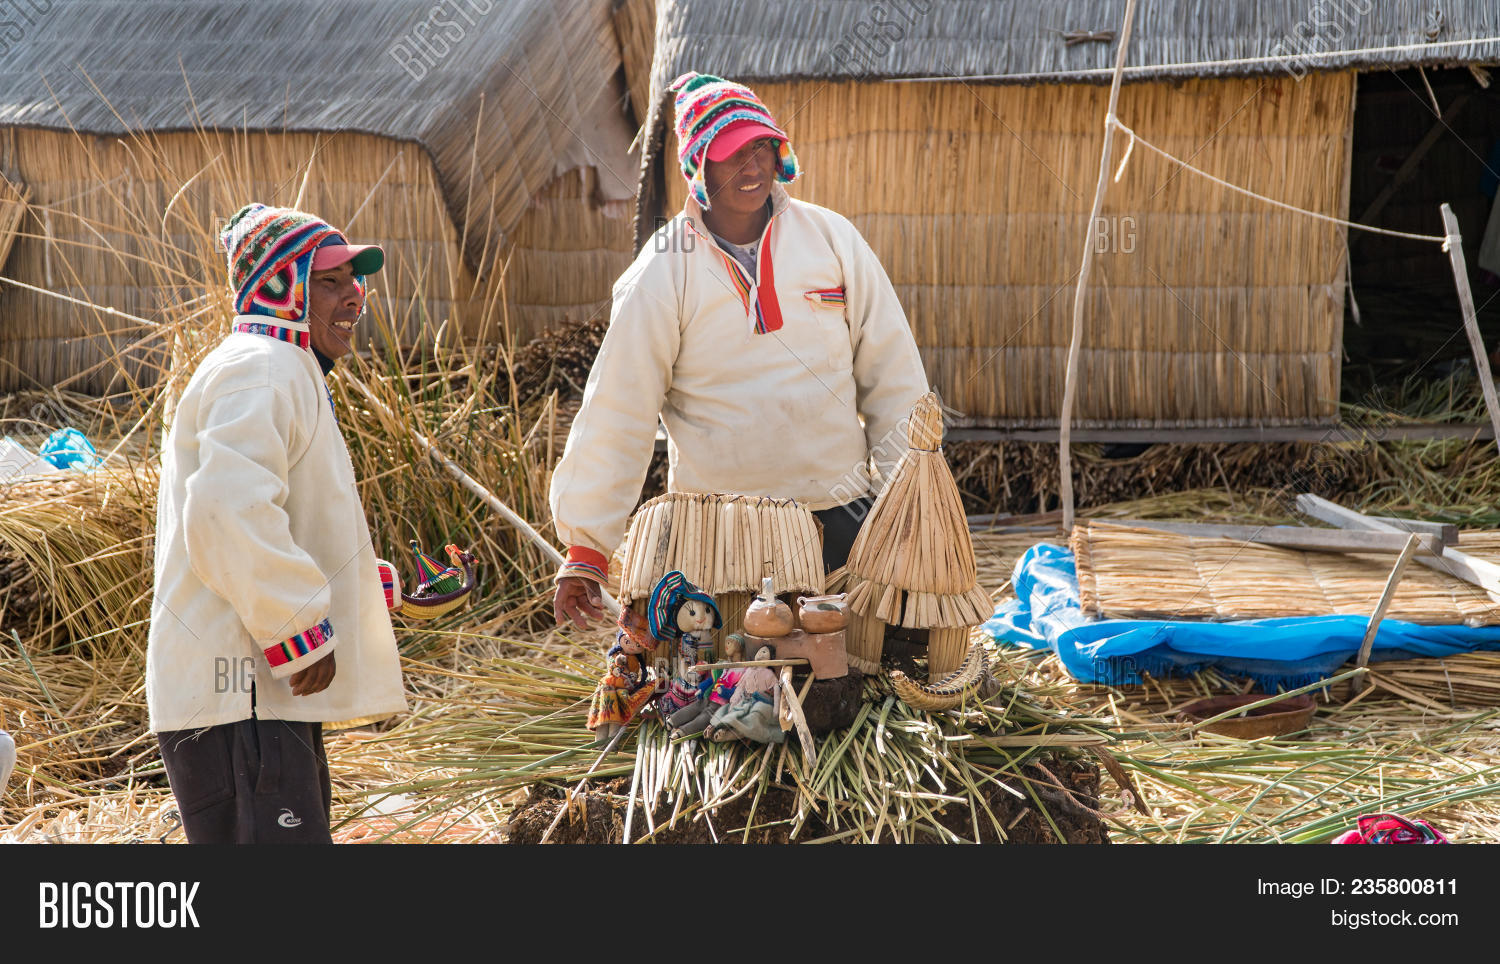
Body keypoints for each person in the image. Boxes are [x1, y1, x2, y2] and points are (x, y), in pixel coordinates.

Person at [551, 72, 929, 628]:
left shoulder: (831, 239)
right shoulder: (664, 267)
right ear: (698, 168)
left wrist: (908, 502)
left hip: (839, 514)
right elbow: (619, 406)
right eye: (730, 154)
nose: (752, 168)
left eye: (761, 148)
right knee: (728, 688)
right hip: (716, 536)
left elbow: (893, 377)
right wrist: (587, 546)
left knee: (844, 678)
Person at [147, 204, 406, 843]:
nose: (356, 296)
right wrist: (296, 627)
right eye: (331, 281)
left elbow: (271, 520)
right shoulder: (260, 368)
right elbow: (226, 511)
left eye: (357, 280)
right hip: (241, 698)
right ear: (282, 290)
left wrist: (361, 592)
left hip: (257, 696)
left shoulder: (278, 368)